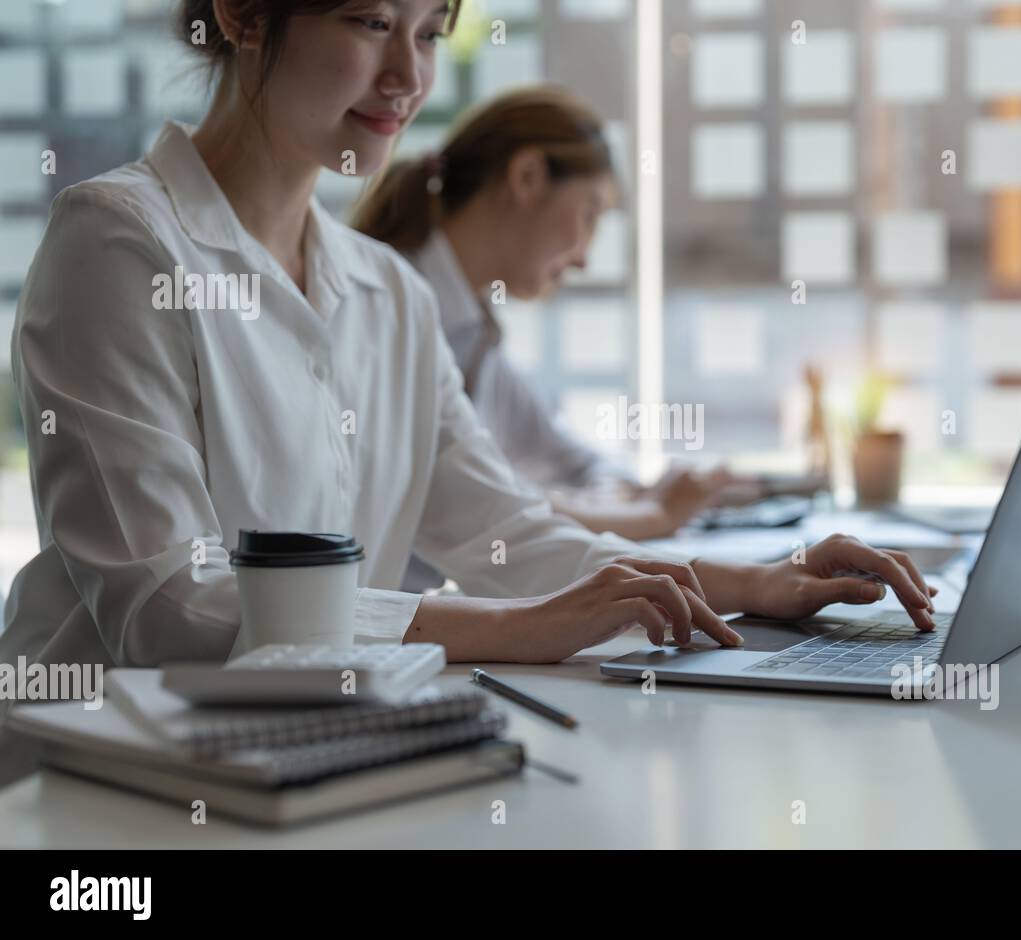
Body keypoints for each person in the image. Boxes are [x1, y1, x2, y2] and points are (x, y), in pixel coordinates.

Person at [0, 0, 936, 694]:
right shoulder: (118, 243)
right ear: (243, 14)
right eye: (372, 21)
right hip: (99, 780)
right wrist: (523, 627)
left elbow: (510, 532)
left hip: (305, 751)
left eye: (430, 31)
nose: (408, 77)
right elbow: (168, 605)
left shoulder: (388, 292)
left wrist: (758, 582)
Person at [353, 85, 735, 543]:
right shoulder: (392, 309)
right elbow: (485, 504)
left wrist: (630, 494)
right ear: (528, 177)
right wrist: (654, 516)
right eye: (590, 214)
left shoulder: (474, 334)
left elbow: (570, 461)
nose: (583, 260)